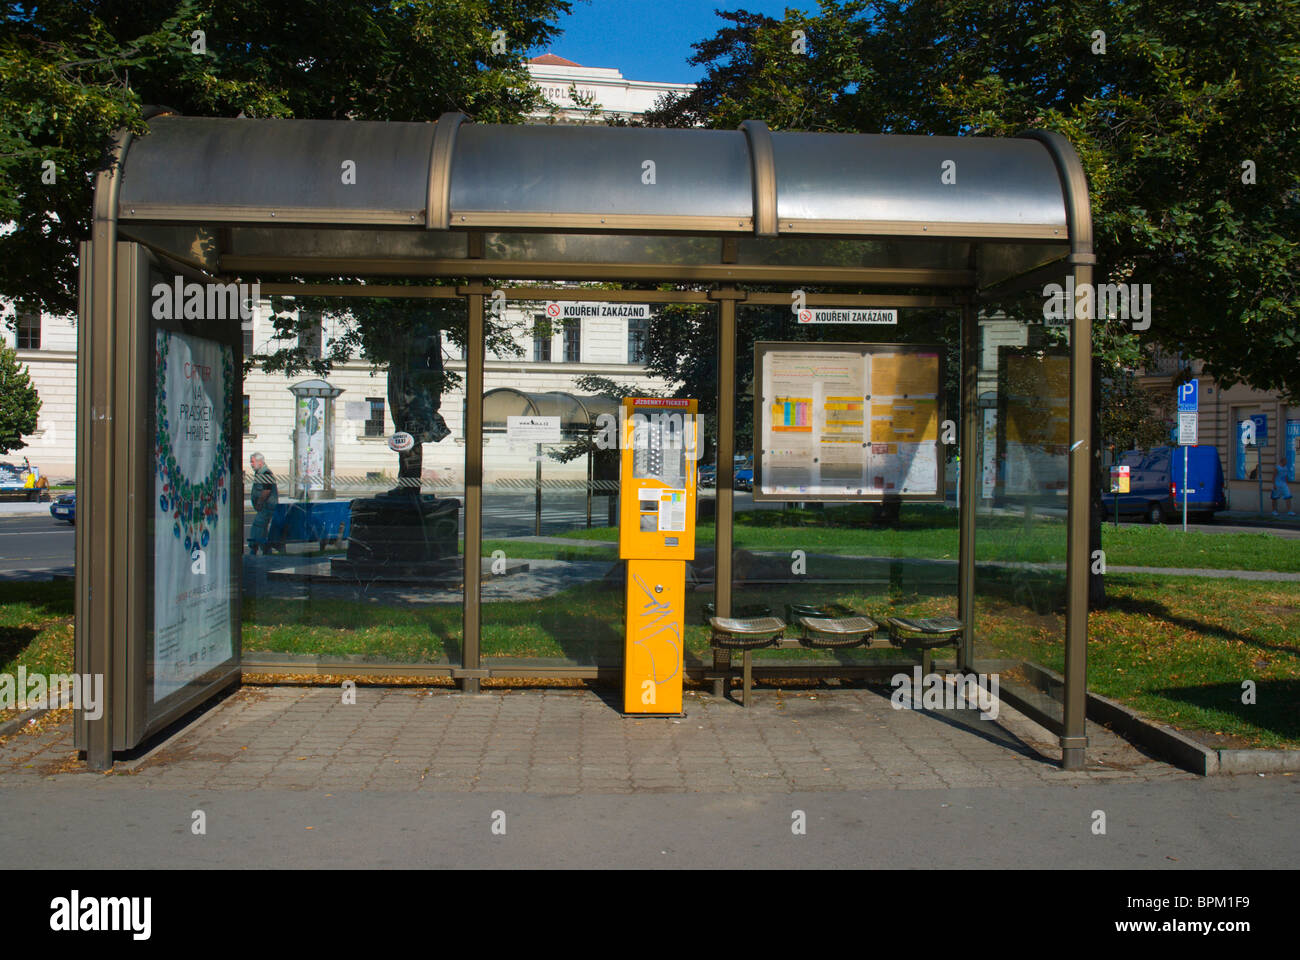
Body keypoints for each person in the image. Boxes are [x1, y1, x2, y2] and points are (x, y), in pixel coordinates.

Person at [248, 452, 279, 553]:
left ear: (260, 462)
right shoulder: (260, 472)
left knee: (257, 526)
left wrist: (259, 503)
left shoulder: (266, 473)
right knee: (262, 528)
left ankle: (255, 548)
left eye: (252, 462)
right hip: (264, 507)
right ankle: (265, 550)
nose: (251, 464)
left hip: (267, 507)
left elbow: (267, 490)